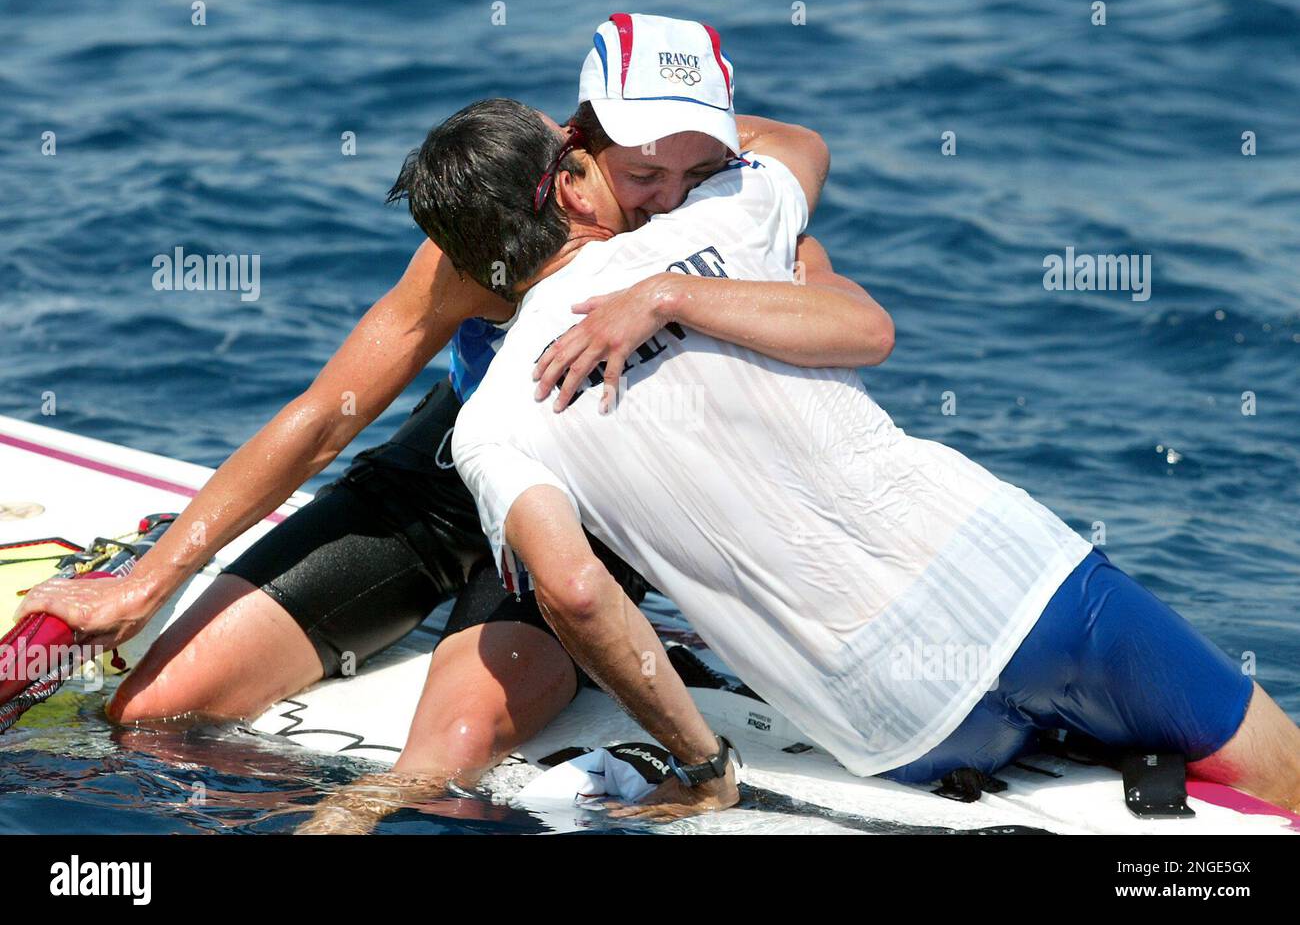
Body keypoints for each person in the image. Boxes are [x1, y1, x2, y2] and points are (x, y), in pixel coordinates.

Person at [17, 14, 882, 826]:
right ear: (577, 145)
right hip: (445, 471)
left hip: (581, 521)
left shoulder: (722, 207)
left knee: (442, 761)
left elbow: (801, 149)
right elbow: (326, 415)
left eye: (693, 173)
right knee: (152, 707)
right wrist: (153, 580)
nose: (670, 199)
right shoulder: (495, 225)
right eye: (644, 176)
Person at [438, 100, 1300, 820]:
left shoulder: (492, 420)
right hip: (1033, 593)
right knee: (1284, 768)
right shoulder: (726, 214)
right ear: (565, 183)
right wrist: (632, 117)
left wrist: (703, 767)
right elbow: (799, 146)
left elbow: (579, 593)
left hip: (896, 718)